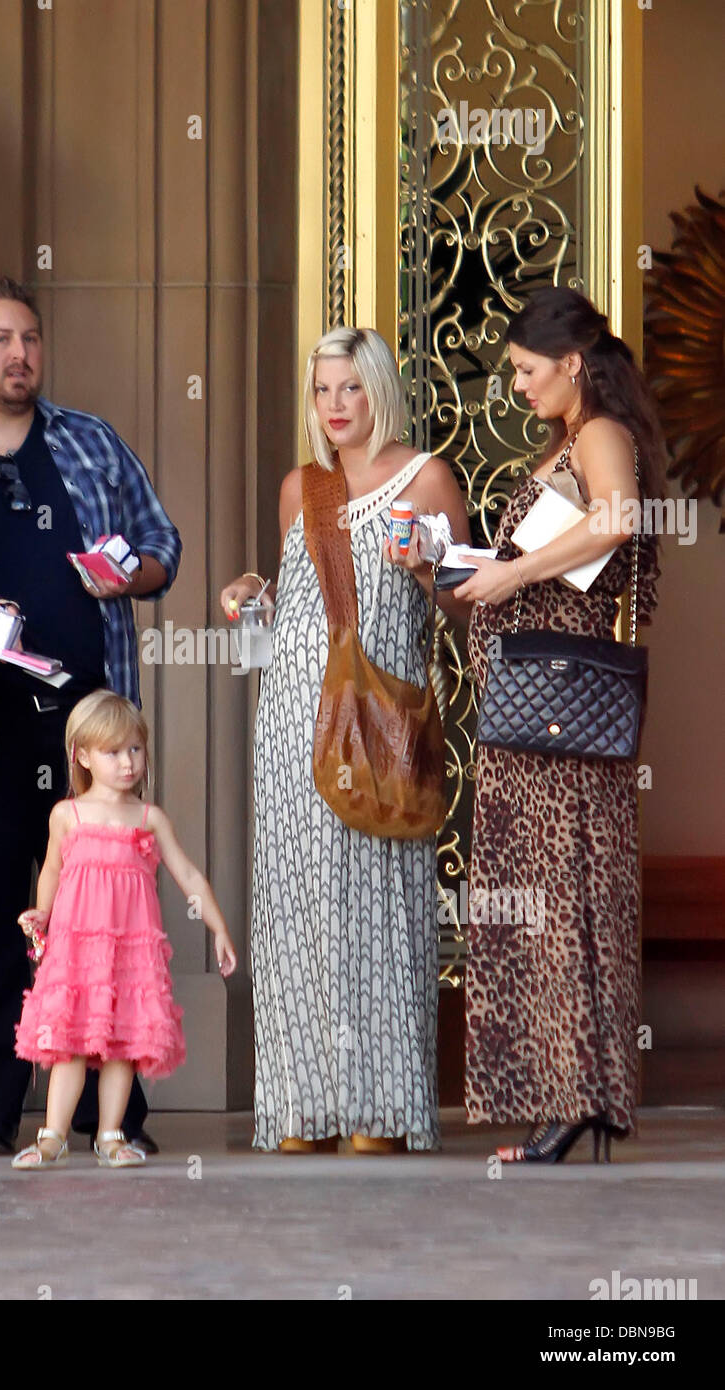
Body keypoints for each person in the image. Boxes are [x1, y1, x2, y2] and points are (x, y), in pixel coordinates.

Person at [0, 278, 182, 1156]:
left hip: (90, 732)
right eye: (0, 338)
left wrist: (133, 576)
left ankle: (107, 1117)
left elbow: (162, 546)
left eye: (32, 338)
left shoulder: (89, 440)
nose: (20, 354)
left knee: (109, 917)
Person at [221, 327, 471, 1154]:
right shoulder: (303, 488)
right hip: (293, 717)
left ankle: (379, 1111)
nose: (333, 406)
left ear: (379, 392)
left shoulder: (426, 476)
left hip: (380, 720)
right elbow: (294, 605)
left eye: (350, 389)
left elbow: (469, 603)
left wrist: (427, 568)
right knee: (295, 913)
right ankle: (302, 1111)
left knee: (373, 908)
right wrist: (252, 594)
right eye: (322, 390)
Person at [457, 287, 663, 1163]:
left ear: (572, 364)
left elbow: (617, 520)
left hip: (558, 712)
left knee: (559, 900)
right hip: (533, 710)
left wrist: (510, 576)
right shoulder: (568, 444)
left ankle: (576, 1096)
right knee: (544, 900)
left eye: (526, 370)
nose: (518, 385)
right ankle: (574, 1093)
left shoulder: (600, 436)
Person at [11, 691, 237, 1168]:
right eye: (113, 752)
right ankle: (52, 1135)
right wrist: (42, 912)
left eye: (135, 749)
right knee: (69, 1044)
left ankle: (111, 1134)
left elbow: (188, 875)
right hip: (78, 950)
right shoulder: (66, 816)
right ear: (83, 756)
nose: (127, 762)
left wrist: (218, 927)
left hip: (130, 953)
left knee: (122, 1047)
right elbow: (51, 869)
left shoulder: (149, 818)